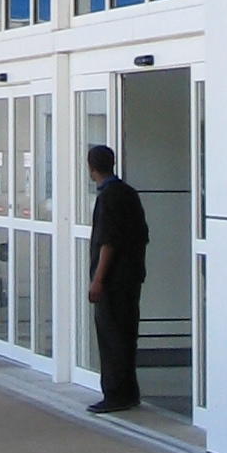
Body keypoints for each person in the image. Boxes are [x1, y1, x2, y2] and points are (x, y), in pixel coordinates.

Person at [85, 143, 148, 413]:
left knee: (112, 339)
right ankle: (129, 392)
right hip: (131, 278)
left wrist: (98, 280)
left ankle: (115, 394)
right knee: (126, 335)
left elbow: (107, 242)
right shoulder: (128, 193)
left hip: (114, 281)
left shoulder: (109, 197)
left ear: (91, 168)